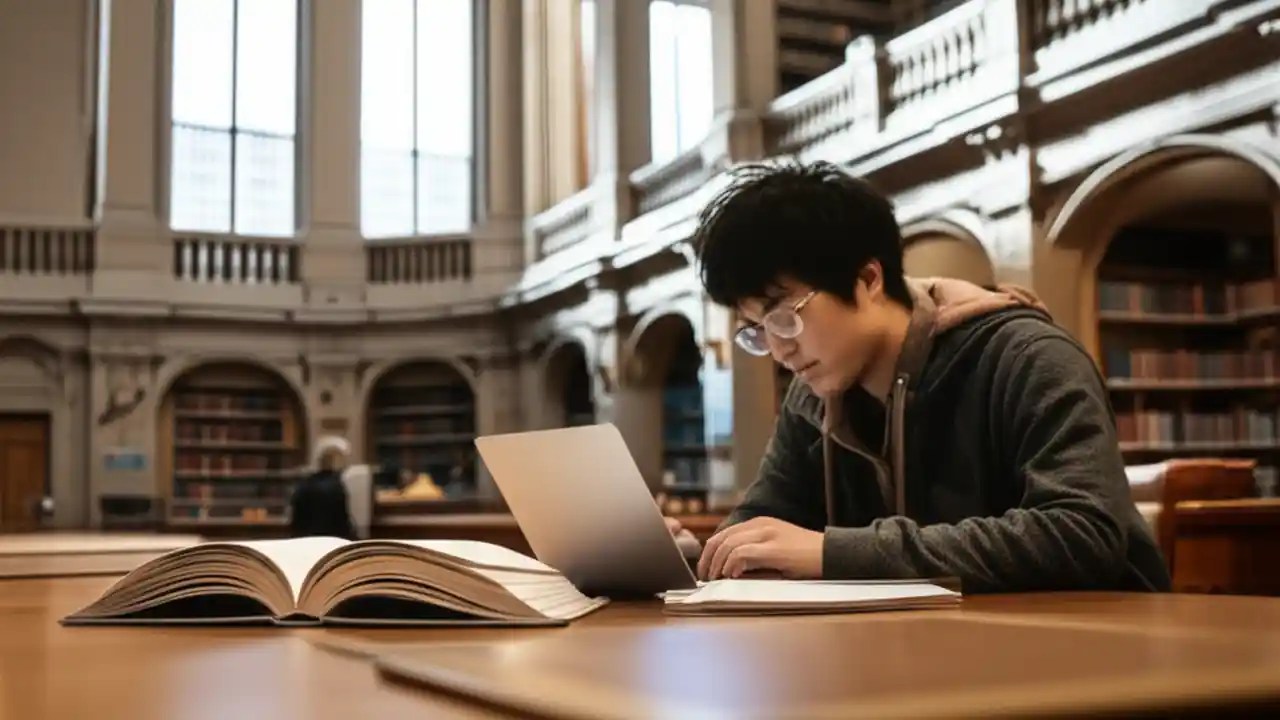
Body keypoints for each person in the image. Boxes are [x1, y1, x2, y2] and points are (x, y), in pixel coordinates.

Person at [666, 161, 1170, 593]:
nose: (778, 350)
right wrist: (695, 559)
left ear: (868, 280)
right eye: (757, 331)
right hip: (932, 659)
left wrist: (834, 553)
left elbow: (1084, 534)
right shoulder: (813, 398)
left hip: (1091, 656)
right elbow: (766, 519)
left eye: (783, 317)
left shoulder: (1028, 358)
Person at [289, 439, 356, 540]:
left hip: (305, 540)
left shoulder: (304, 484)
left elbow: (296, 518)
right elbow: (342, 521)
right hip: (332, 540)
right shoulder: (336, 486)